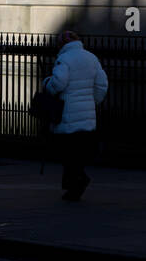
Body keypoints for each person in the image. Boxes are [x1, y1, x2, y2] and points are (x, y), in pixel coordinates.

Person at [45, 29, 108, 201]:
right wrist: (92, 101)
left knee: (67, 152)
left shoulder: (64, 59)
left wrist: (47, 83)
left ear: (61, 44)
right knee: (79, 150)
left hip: (68, 113)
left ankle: (76, 183)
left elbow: (58, 83)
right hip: (87, 112)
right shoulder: (91, 57)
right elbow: (102, 84)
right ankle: (74, 185)